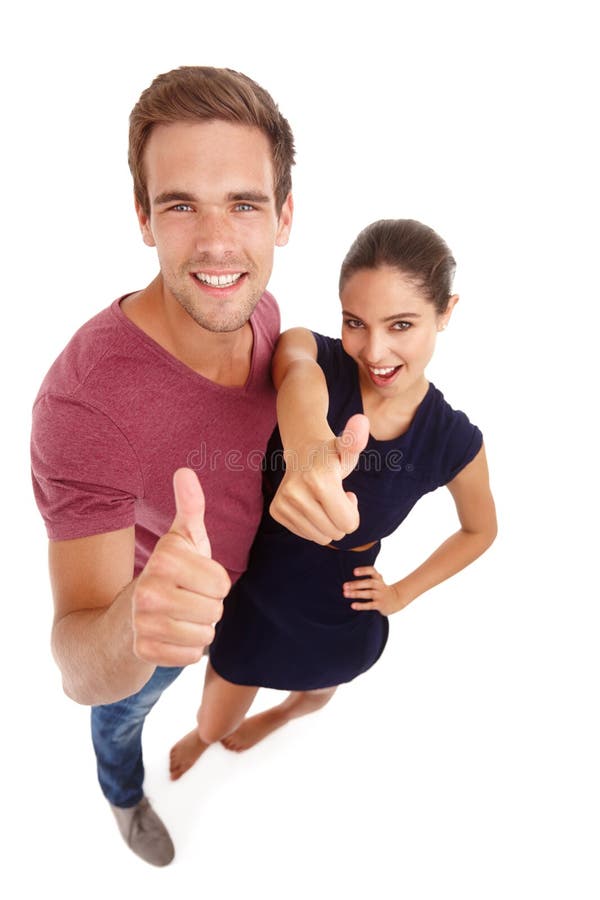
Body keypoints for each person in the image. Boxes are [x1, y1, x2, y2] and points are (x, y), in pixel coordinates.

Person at [30, 65, 308, 867]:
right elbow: (78, 666)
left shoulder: (260, 308)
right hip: (157, 627)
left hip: (250, 588)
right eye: (182, 205)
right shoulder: (84, 402)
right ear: (144, 218)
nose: (218, 243)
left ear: (284, 216)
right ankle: (122, 794)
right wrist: (136, 626)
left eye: (244, 204)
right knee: (119, 717)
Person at [168, 218, 498, 778]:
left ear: (446, 312)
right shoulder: (310, 353)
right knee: (213, 721)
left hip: (339, 605)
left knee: (318, 690)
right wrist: (307, 446)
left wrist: (402, 592)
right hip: (257, 580)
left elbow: (481, 530)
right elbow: (296, 369)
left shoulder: (454, 440)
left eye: (401, 324)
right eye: (355, 322)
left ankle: (284, 714)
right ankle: (206, 739)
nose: (374, 350)